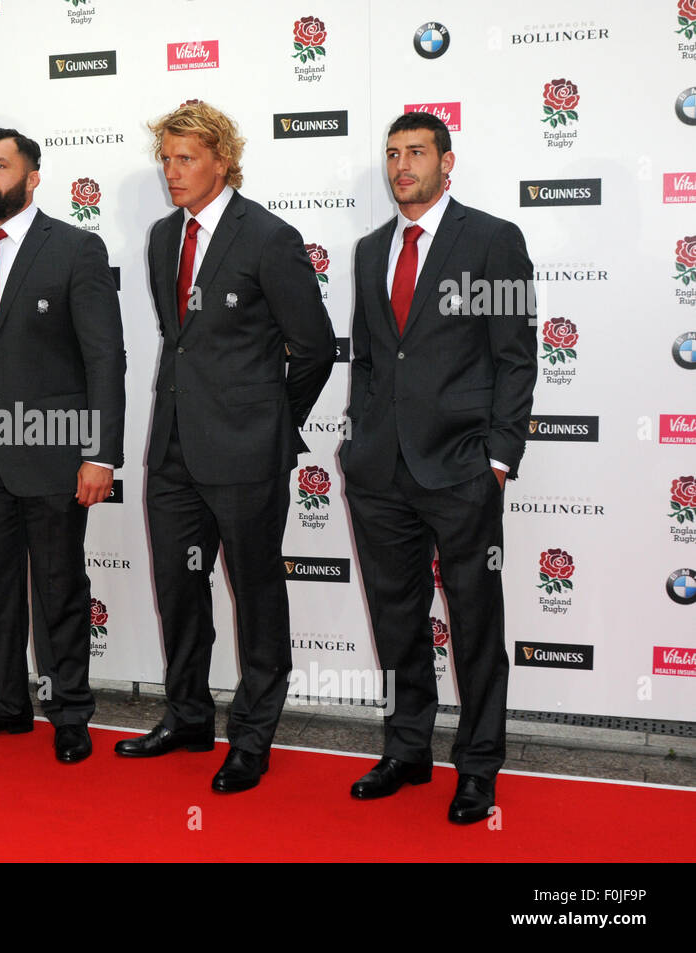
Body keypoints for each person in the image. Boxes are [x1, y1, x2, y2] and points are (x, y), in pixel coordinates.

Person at [118, 101, 335, 793]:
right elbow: (181, 343)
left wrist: (272, 422)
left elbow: (317, 349)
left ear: (222, 161)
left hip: (247, 454)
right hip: (175, 449)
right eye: (167, 158)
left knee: (257, 594)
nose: (172, 171)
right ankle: (187, 715)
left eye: (186, 159)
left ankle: (252, 735)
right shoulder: (160, 237)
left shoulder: (269, 237)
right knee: (178, 589)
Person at [340, 111, 536, 823]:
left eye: (417, 152)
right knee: (397, 621)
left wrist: (498, 458)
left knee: (476, 621)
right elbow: (368, 358)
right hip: (379, 471)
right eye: (393, 153)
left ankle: (479, 764)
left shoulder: (490, 239)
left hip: (461, 470)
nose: (402, 166)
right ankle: (407, 746)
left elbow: (515, 355)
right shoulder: (368, 251)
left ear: (446, 162)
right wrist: (360, 439)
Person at [0, 128, 125, 764]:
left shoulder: (76, 249)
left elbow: (104, 360)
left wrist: (100, 454)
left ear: (33, 177)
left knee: (60, 589)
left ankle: (69, 712)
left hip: (54, 454)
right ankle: (6, 703)